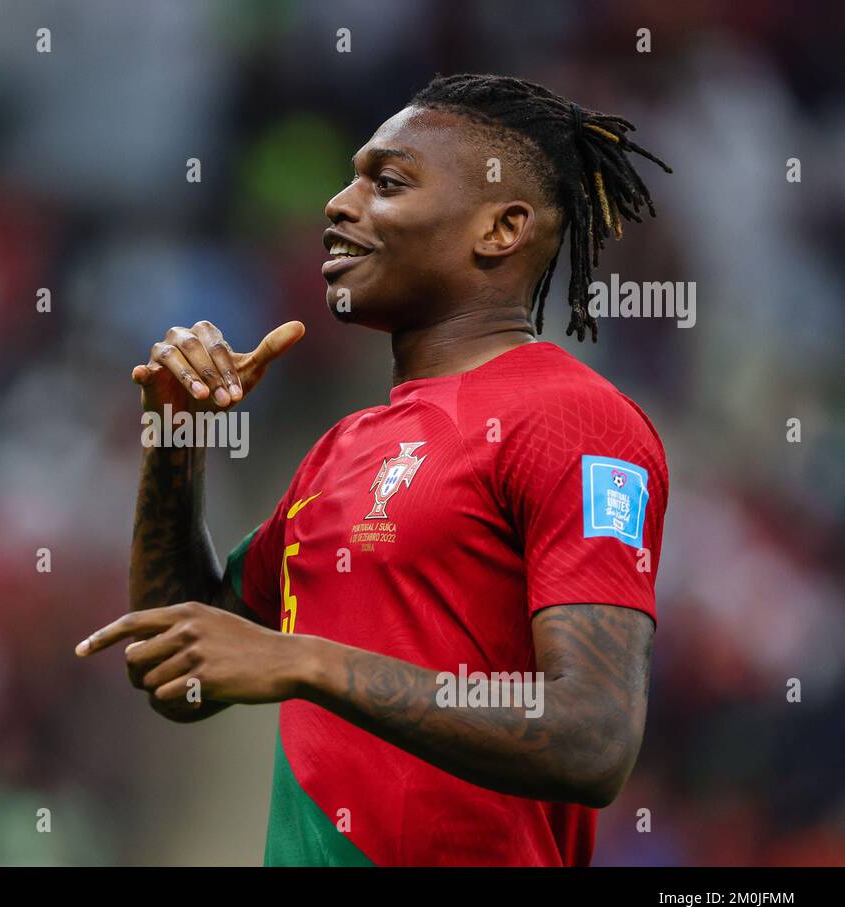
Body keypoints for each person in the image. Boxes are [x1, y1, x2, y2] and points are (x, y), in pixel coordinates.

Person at [78, 73, 672, 866]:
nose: (335, 204)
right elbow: (180, 677)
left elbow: (593, 738)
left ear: (500, 228)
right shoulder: (344, 447)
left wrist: (308, 661)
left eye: (386, 183)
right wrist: (176, 440)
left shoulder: (575, 420)